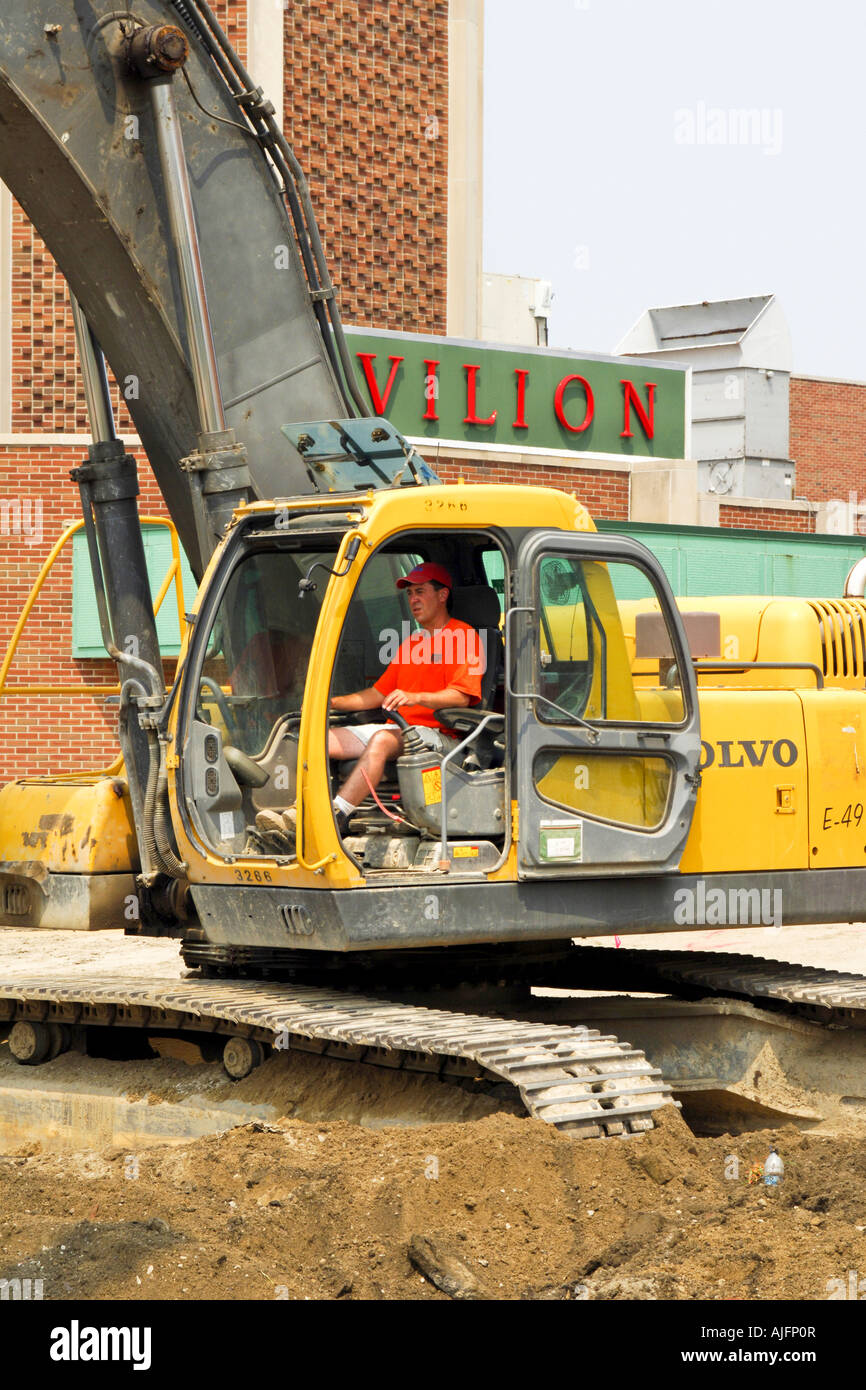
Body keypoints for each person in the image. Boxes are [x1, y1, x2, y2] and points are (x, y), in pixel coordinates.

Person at [255, 563, 483, 848]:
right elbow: (376, 694)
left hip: (438, 735)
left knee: (380, 741)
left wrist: (416, 697)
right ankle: (299, 812)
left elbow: (462, 696)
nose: (413, 599)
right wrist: (327, 702)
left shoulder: (464, 637)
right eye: (410, 593)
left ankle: (335, 815)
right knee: (318, 739)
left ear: (442, 595)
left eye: (420, 592)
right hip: (398, 730)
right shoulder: (412, 643)